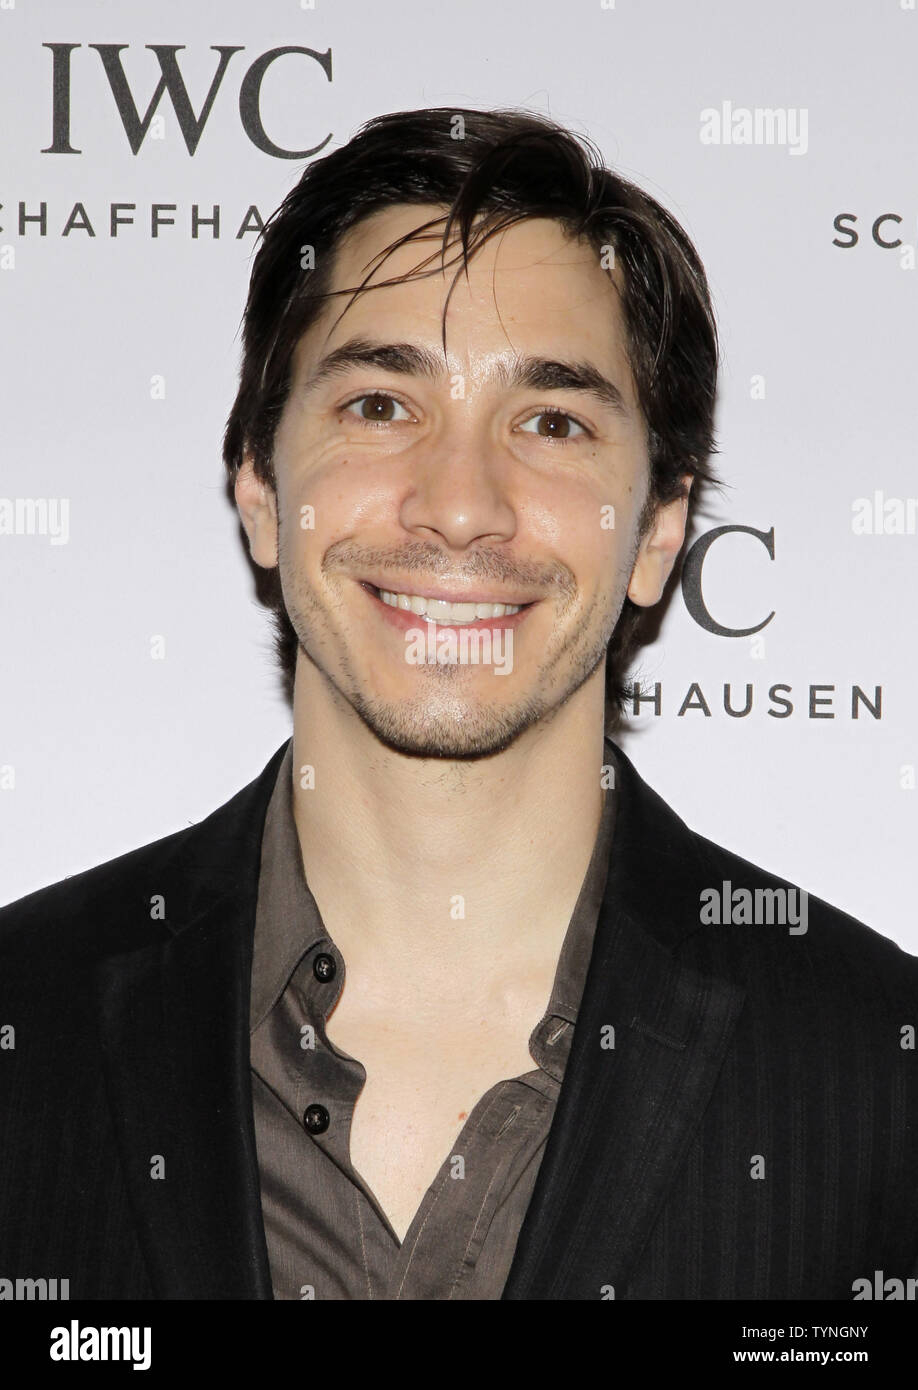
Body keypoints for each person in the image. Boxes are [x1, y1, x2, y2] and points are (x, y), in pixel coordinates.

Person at [2, 107, 916, 1302]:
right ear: (263, 491)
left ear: (658, 532)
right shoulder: (27, 1028)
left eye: (552, 421)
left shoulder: (876, 1080)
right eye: (381, 404)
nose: (461, 502)